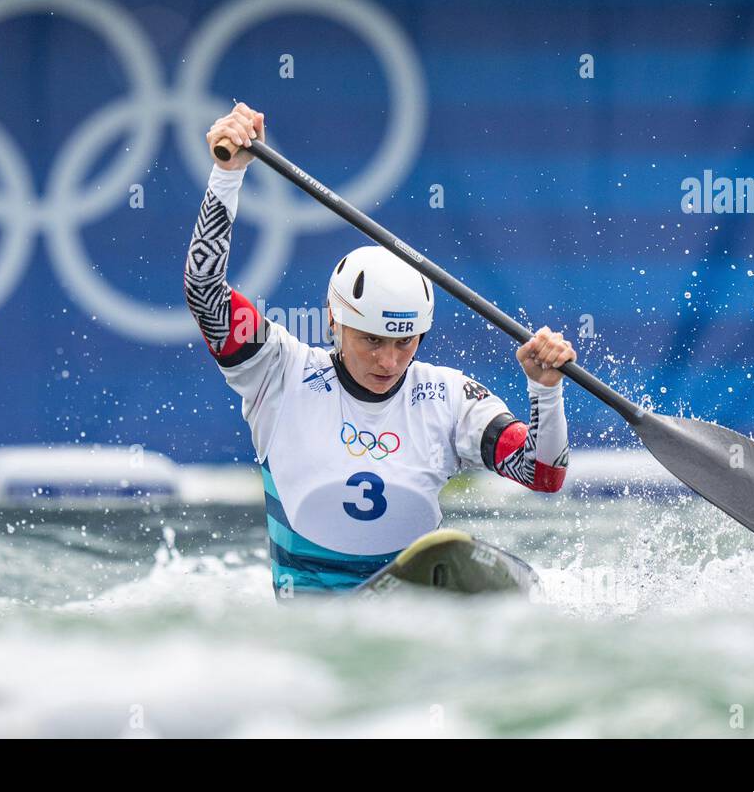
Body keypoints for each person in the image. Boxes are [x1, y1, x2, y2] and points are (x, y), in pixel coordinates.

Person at [184, 103, 575, 599]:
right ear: (334, 320)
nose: (389, 361)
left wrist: (545, 391)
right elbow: (204, 291)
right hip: (312, 614)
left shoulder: (446, 396)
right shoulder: (276, 373)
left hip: (416, 606)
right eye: (372, 340)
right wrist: (227, 175)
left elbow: (543, 475)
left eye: (404, 342)